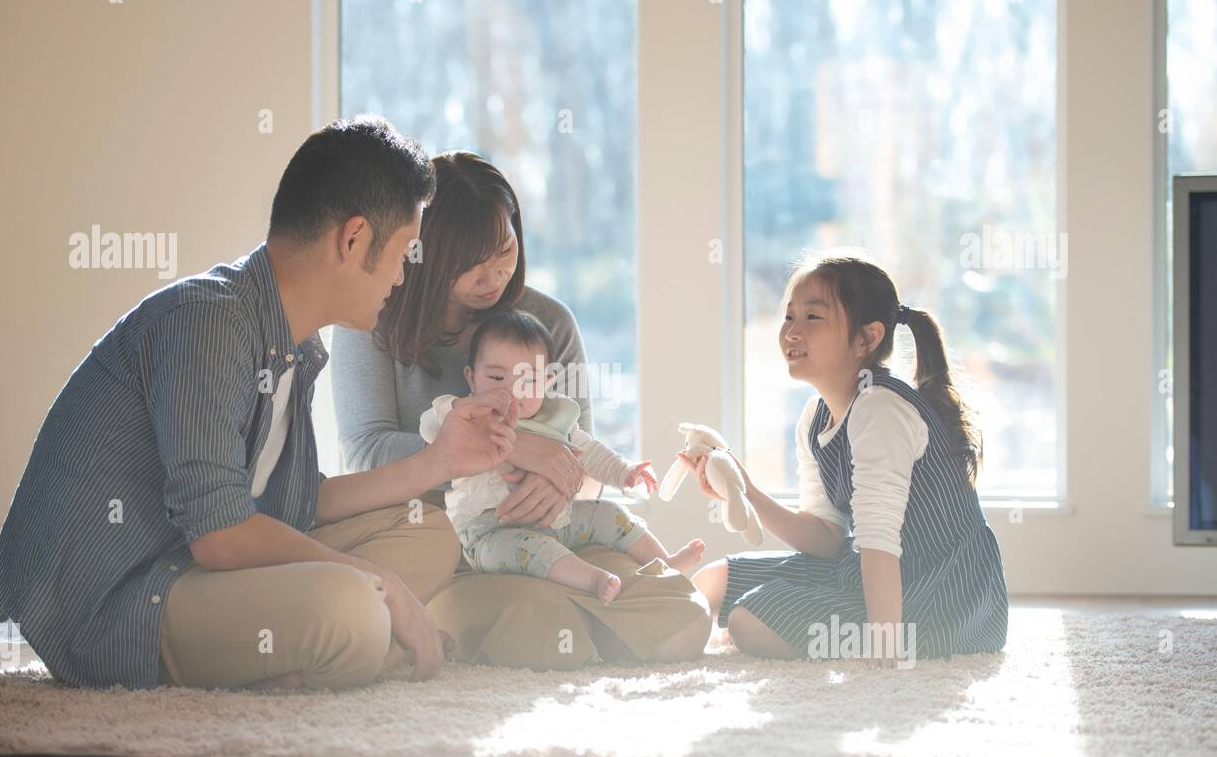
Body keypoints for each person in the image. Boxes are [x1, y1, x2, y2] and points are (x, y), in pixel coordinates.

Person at [0, 116, 518, 692]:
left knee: (428, 533)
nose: (404, 277)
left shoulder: (293, 343)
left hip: (199, 571)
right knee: (352, 608)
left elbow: (298, 501)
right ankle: (335, 647)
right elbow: (220, 534)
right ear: (353, 241)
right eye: (405, 253)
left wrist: (440, 462)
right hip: (126, 602)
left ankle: (308, 656)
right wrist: (378, 583)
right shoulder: (209, 322)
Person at [331, 151, 711, 668]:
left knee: (683, 619)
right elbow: (365, 454)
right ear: (425, 254)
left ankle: (572, 616)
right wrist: (510, 450)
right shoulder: (374, 319)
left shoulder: (547, 322)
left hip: (551, 527)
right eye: (470, 262)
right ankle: (556, 624)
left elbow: (583, 462)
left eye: (505, 249)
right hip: (444, 533)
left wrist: (560, 478)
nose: (495, 275)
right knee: (547, 629)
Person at [687, 250, 1009, 665]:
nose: (792, 332)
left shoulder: (880, 409)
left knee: (751, 619)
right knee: (715, 579)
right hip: (866, 568)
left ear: (867, 338)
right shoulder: (815, 417)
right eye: (789, 317)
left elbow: (878, 539)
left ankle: (879, 634)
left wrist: (884, 648)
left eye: (813, 318)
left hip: (943, 592)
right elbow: (826, 538)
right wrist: (744, 491)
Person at [421, 310, 706, 605]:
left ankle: (665, 562)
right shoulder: (463, 414)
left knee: (609, 514)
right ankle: (593, 579)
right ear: (471, 377)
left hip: (557, 523)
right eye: (495, 377)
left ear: (547, 381)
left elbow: (590, 452)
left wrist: (626, 472)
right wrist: (469, 419)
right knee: (530, 548)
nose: (510, 390)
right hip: (489, 533)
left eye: (527, 380)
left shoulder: (555, 418)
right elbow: (428, 428)